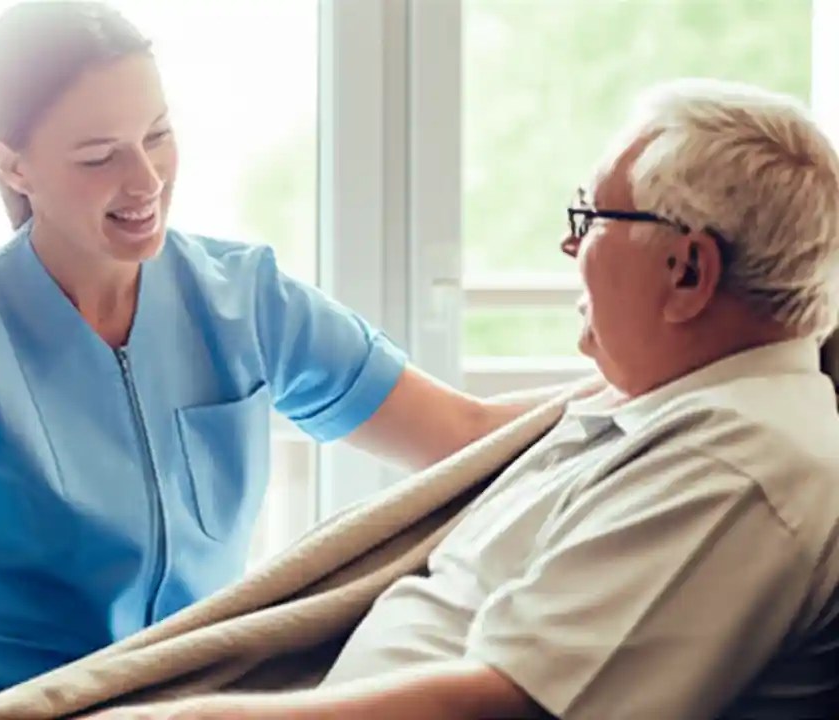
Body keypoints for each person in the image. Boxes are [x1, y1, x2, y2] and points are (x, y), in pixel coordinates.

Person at [0, 2, 545, 711]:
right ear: (13, 167)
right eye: (99, 156)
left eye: (158, 135)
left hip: (193, 701)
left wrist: (654, 388)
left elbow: (467, 431)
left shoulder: (245, 297)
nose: (145, 179)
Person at [87, 80, 839, 719]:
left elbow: (496, 705)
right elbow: (469, 434)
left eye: (591, 218)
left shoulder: (737, 468)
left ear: (687, 272)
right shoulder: (674, 413)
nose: (570, 249)